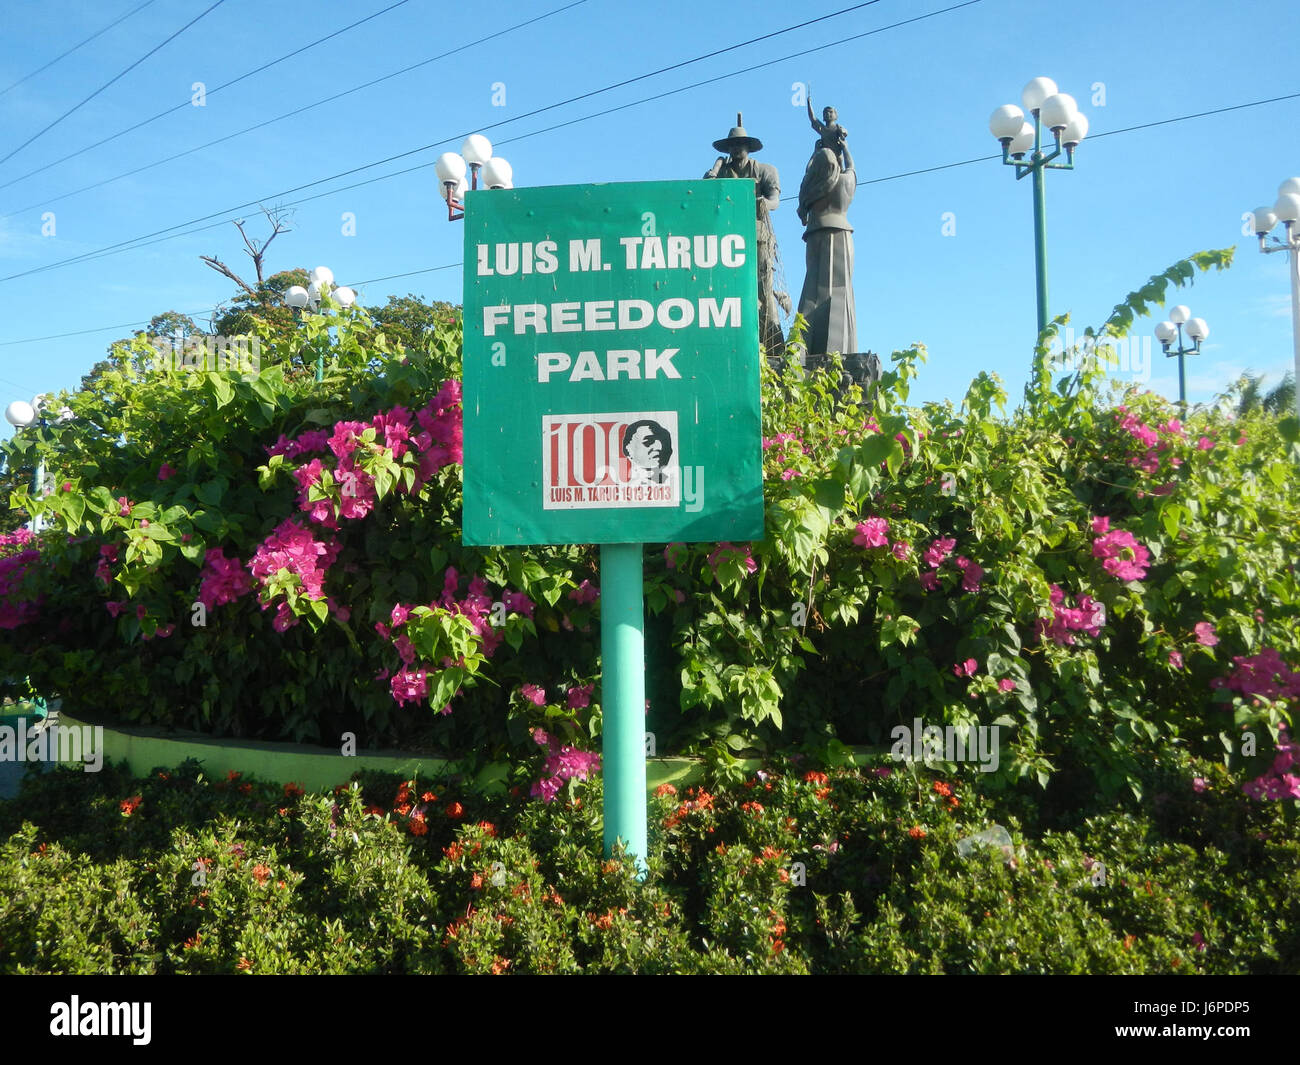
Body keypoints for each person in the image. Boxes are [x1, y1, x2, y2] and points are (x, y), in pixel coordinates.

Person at [704, 113, 788, 357]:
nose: (735, 149)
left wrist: (762, 202)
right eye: (732, 145)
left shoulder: (764, 170)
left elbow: (775, 201)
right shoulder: (722, 171)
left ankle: (772, 344)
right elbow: (705, 194)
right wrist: (713, 172)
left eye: (740, 145)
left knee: (764, 289)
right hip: (728, 240)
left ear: (748, 148)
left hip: (758, 237)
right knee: (730, 290)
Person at [796, 131, 857, 359]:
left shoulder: (811, 190)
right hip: (840, 235)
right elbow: (852, 168)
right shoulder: (844, 183)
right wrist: (846, 149)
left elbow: (808, 174)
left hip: (814, 235)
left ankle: (800, 349)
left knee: (811, 290)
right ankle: (835, 354)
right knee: (839, 290)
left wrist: (815, 156)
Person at [621, 420, 673, 485]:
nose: (658, 447)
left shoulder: (674, 483)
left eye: (661, 441)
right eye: (648, 442)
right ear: (629, 450)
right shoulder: (622, 484)